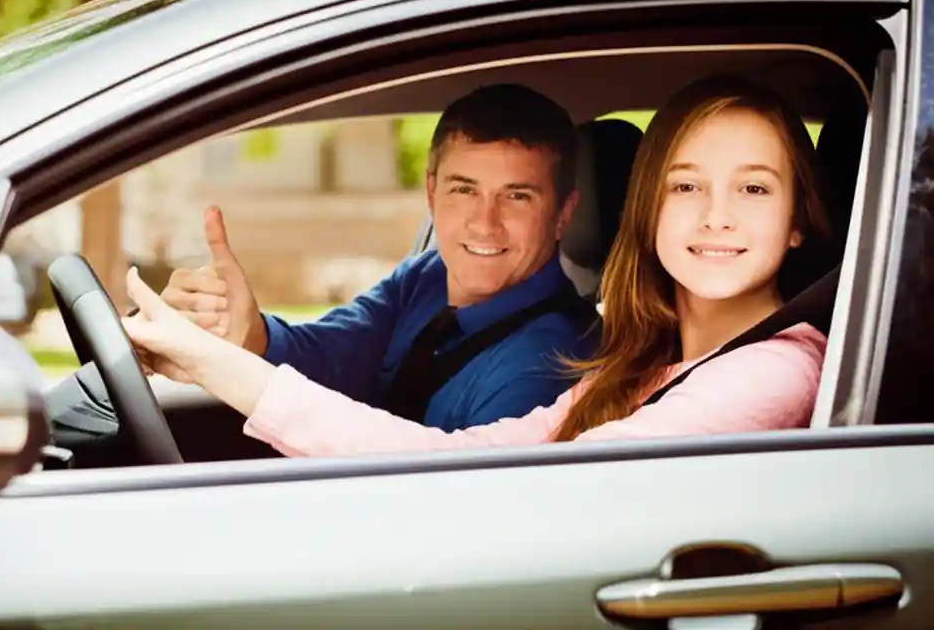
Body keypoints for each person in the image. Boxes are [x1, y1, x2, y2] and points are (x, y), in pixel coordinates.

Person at [123, 76, 833, 457]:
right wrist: (229, 348)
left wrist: (215, 364)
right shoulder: (644, 362)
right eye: (685, 185)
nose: (716, 215)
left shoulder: (775, 371)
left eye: (753, 188)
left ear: (798, 219)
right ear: (647, 211)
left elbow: (510, 486)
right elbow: (456, 457)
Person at [157, 84, 596, 431]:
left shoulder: (551, 362)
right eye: (464, 190)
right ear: (431, 192)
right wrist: (250, 334)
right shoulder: (426, 278)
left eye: (517, 197)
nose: (485, 223)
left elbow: (454, 508)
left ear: (563, 214)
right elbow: (334, 352)